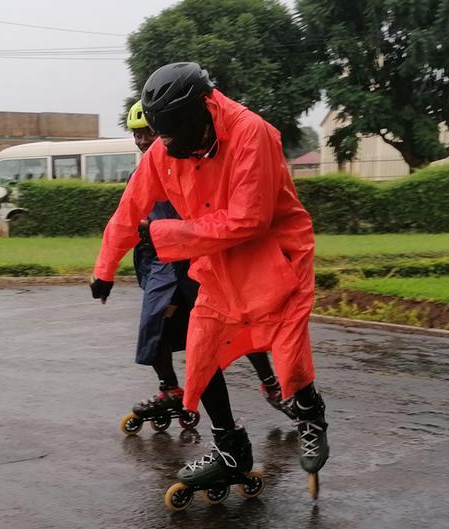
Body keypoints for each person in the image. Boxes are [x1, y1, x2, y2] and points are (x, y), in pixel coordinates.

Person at [91, 63, 329, 495]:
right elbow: (130, 209)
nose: (165, 145)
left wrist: (163, 233)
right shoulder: (168, 149)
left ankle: (310, 414)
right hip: (218, 264)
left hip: (276, 258)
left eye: (173, 133)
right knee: (202, 355)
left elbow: (249, 221)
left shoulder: (251, 132)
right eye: (160, 134)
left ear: (202, 111)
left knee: (290, 358)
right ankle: (231, 451)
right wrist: (104, 269)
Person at [122, 100, 294, 431]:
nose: (143, 141)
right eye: (137, 135)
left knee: (234, 327)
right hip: (162, 268)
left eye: (149, 134)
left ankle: (270, 384)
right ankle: (170, 389)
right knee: (153, 329)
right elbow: (132, 220)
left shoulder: (192, 164)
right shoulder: (140, 174)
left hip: (202, 263)